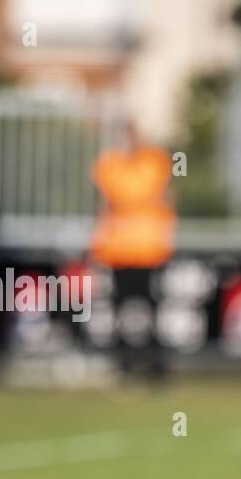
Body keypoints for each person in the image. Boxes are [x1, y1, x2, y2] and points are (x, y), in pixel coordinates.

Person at [89, 120, 176, 378]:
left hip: (150, 249)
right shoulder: (109, 165)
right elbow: (102, 204)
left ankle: (155, 363)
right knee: (119, 306)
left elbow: (168, 196)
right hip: (118, 249)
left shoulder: (155, 161)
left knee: (152, 306)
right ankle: (123, 363)